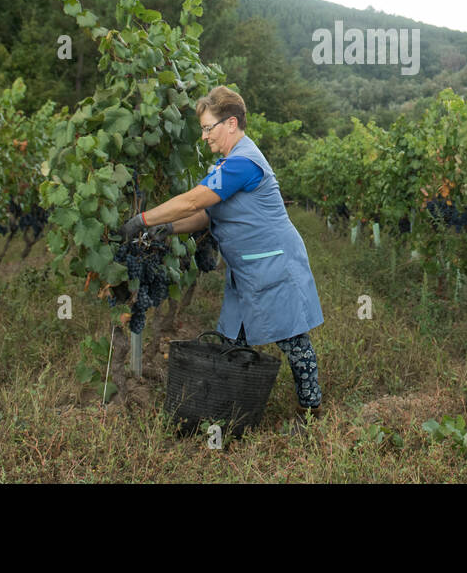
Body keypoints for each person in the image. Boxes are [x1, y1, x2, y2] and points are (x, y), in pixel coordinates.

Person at [121, 86, 325, 431]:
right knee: (233, 341)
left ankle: (311, 415)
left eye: (207, 128)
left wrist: (144, 219)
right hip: (248, 267)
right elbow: (205, 215)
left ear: (231, 123)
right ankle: (231, 411)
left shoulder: (243, 162)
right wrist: (166, 228)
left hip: (273, 263)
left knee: (293, 340)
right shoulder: (228, 164)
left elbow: (193, 201)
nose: (203, 137)